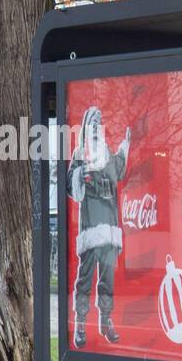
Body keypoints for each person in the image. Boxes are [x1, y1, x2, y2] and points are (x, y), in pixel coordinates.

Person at [70, 105, 130, 346]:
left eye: (100, 121)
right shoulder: (80, 154)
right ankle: (80, 324)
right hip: (90, 226)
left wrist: (126, 146)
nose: (97, 125)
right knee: (84, 278)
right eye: (93, 121)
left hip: (109, 226)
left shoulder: (106, 153)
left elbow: (119, 168)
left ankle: (106, 320)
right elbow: (72, 186)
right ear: (87, 126)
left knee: (108, 279)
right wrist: (81, 173)